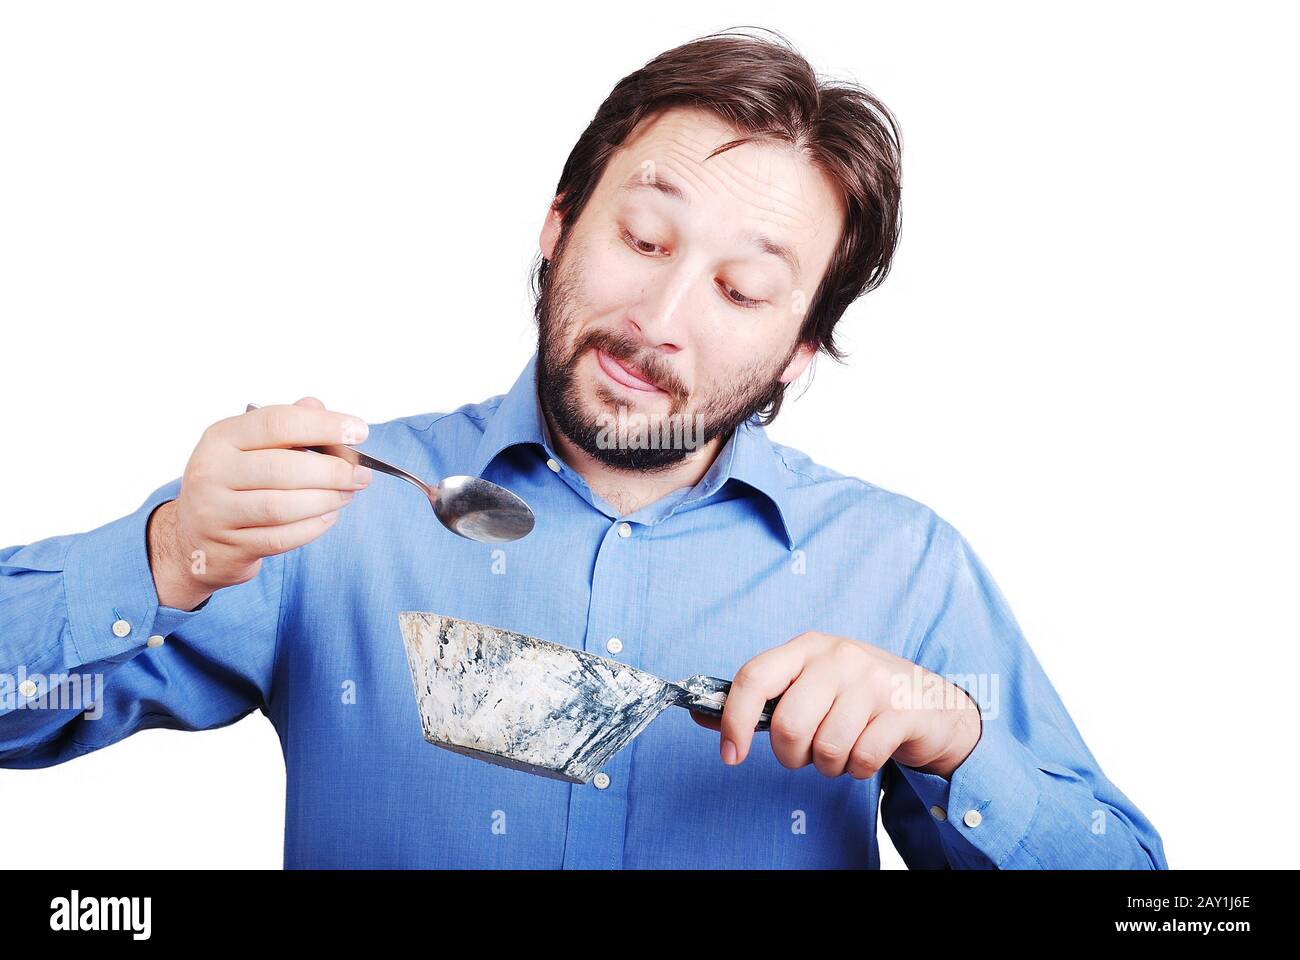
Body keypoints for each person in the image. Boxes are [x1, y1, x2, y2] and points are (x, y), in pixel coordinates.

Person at [0, 28, 1166, 869]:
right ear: (559, 226)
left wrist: (957, 744)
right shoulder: (340, 514)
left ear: (802, 347)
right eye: (642, 234)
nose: (660, 320)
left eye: (742, 288)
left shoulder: (903, 569)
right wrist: (158, 559)